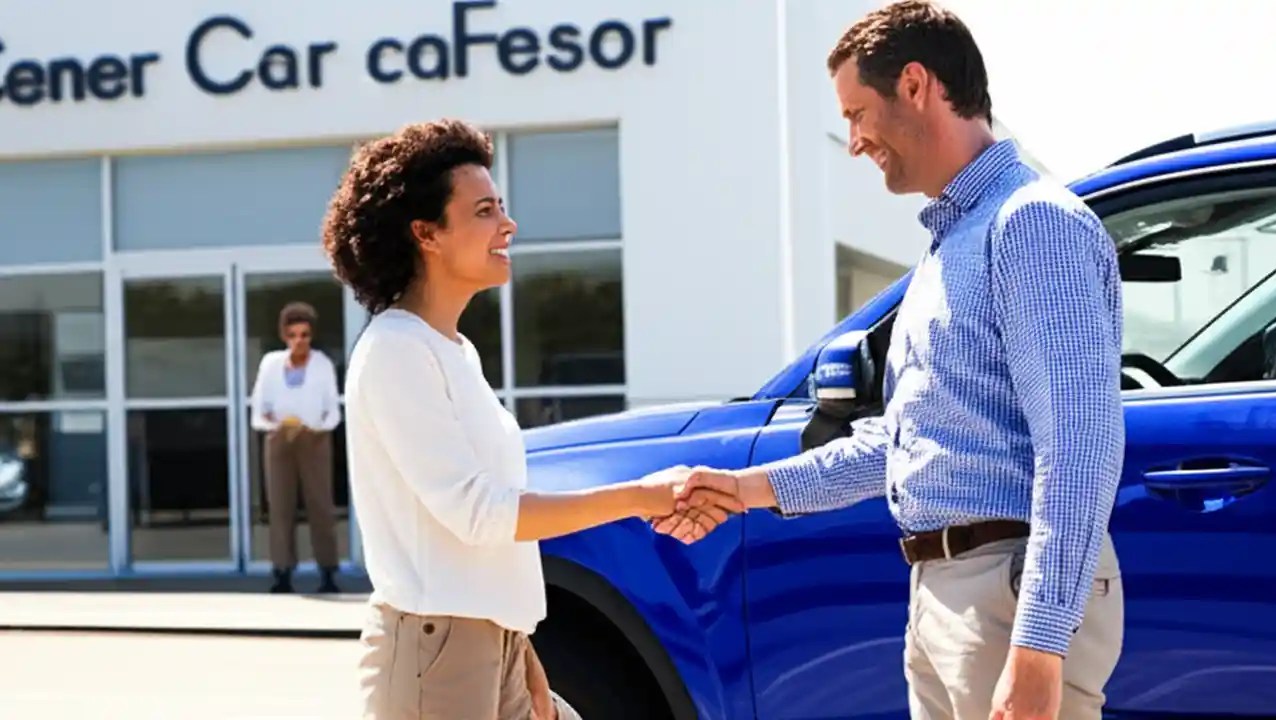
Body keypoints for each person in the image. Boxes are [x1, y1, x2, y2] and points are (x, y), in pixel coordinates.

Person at [659, 2, 1126, 719]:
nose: (852, 142)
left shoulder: (1031, 224)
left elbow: (1079, 446)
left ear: (915, 85)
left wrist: (1038, 644)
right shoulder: (951, 243)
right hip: (940, 595)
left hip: (1006, 595)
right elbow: (901, 445)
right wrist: (743, 488)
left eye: (857, 113)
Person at [321, 118, 739, 719]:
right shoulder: (395, 351)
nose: (508, 225)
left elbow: (489, 524)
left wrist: (515, 638)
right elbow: (481, 513)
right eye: (484, 211)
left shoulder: (453, 351)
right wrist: (640, 498)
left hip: (494, 645)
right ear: (426, 233)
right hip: (437, 657)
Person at [249, 301, 343, 594]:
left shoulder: (322, 364)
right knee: (280, 506)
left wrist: (318, 427)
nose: (299, 341)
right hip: (279, 437)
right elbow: (258, 407)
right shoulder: (271, 364)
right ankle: (282, 571)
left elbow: (333, 410)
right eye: (293, 335)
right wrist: (272, 424)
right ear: (284, 336)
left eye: (304, 334)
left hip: (313, 438)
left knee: (320, 505)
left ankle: (327, 571)